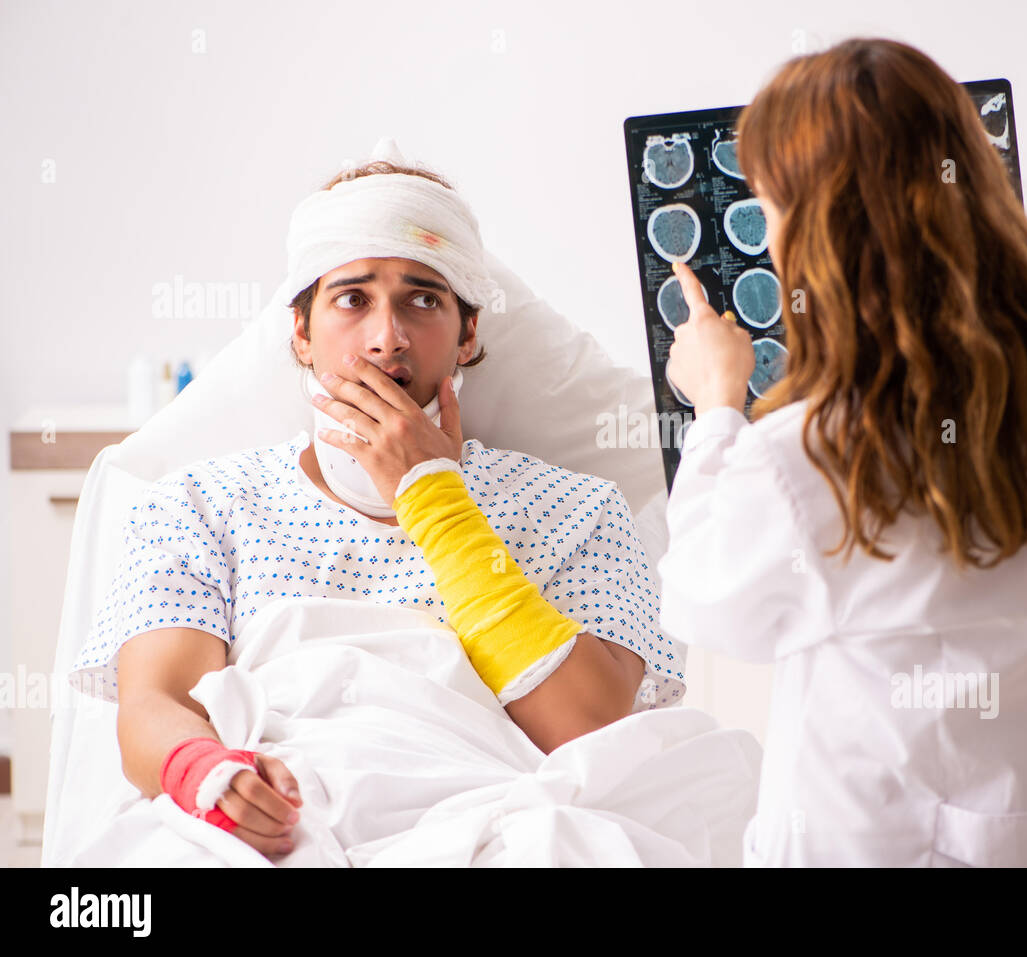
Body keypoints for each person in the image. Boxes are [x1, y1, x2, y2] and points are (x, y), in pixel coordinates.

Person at [656, 38, 1027, 866]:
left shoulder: (819, 449)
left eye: (772, 211)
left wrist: (717, 406)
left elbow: (704, 602)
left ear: (821, 232)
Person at [70, 142, 685, 860]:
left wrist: (434, 500)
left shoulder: (576, 509)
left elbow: (587, 731)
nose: (387, 338)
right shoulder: (200, 504)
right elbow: (157, 703)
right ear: (301, 332)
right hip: (275, 824)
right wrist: (209, 773)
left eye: (423, 299)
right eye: (352, 298)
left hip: (498, 823)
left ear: (468, 333)